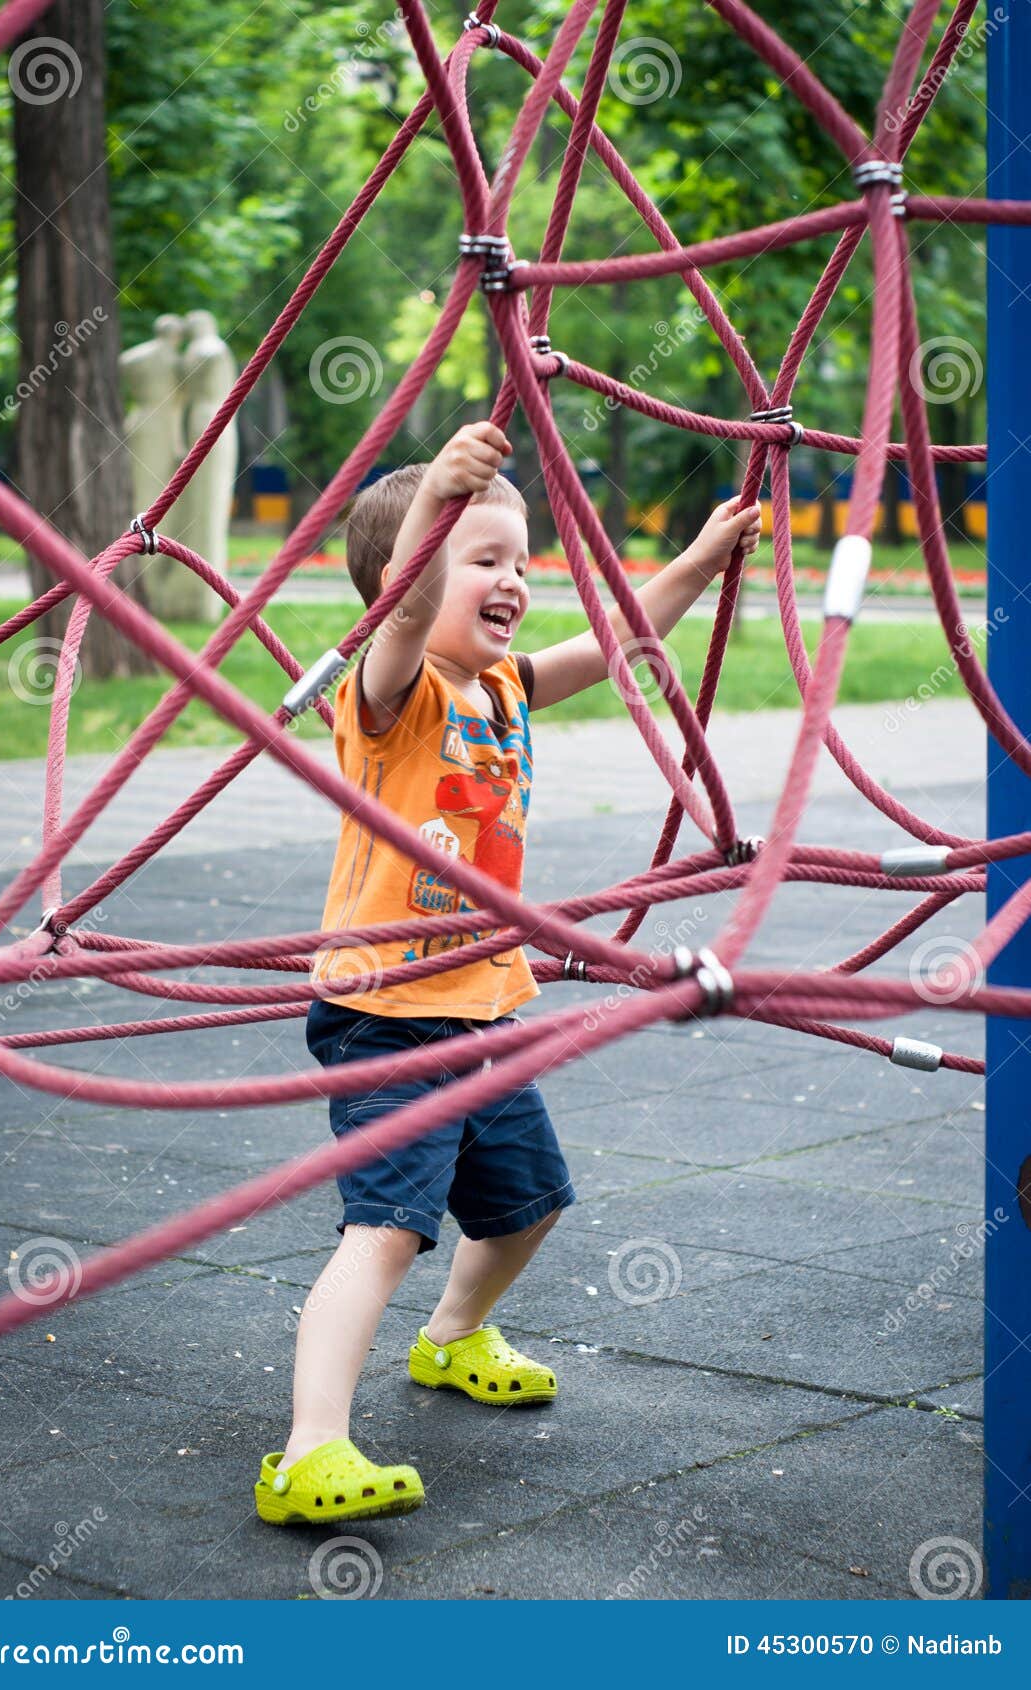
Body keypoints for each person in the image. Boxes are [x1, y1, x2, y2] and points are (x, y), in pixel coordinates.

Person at [254, 422, 762, 1525]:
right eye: (481, 560)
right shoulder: (391, 700)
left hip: (486, 1005)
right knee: (384, 1226)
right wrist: (437, 490)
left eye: (519, 561)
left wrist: (697, 563)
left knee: (530, 1202)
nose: (512, 581)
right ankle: (309, 1448)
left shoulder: (503, 690)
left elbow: (614, 649)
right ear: (418, 574)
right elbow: (393, 617)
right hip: (387, 1015)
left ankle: (451, 1336)